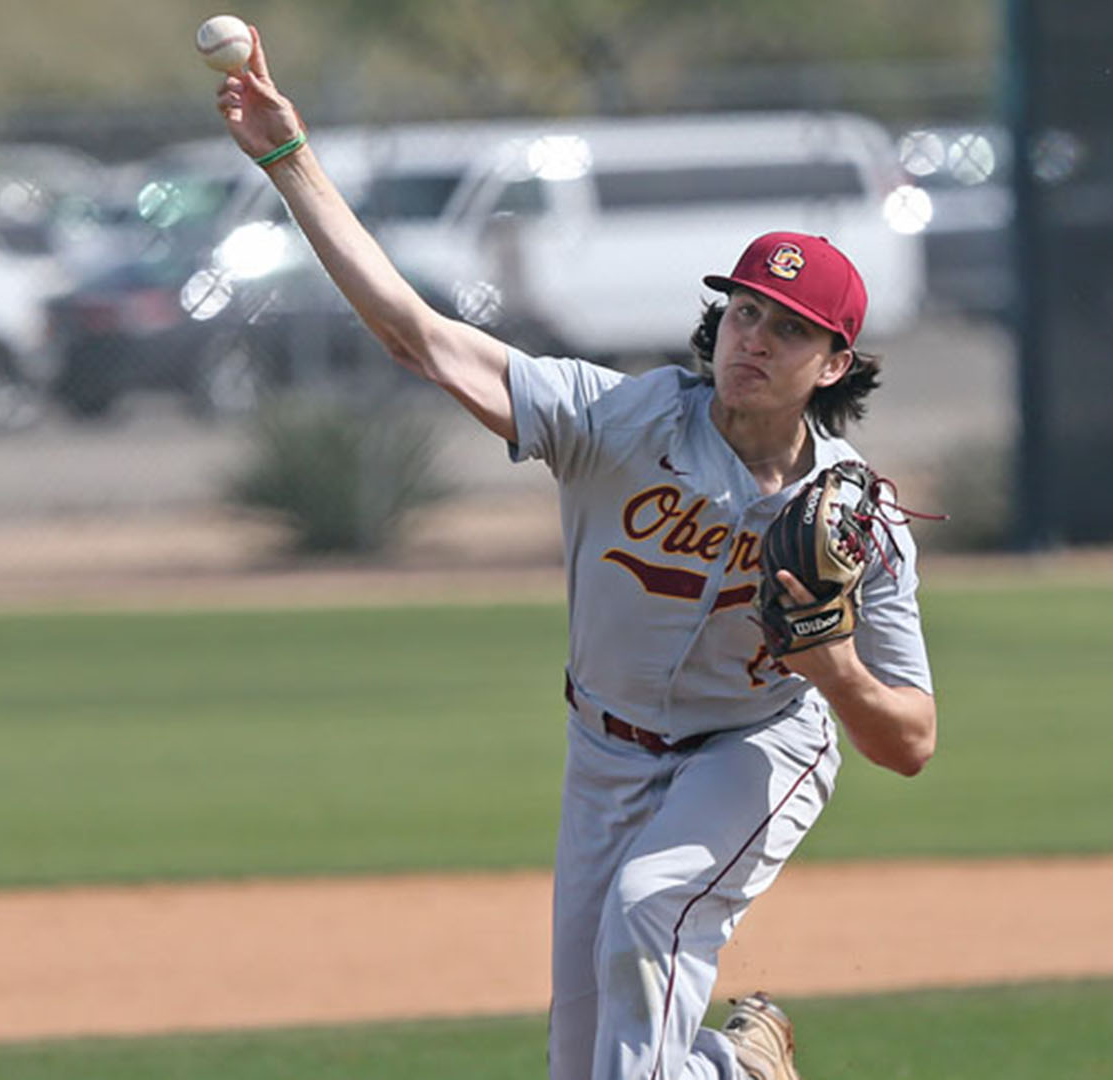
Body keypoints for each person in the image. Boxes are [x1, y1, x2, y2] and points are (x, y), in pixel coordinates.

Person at [218, 27, 936, 1080]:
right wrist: (291, 161)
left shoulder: (854, 519)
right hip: (602, 750)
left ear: (836, 364)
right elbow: (418, 336)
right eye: (743, 311)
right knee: (581, 1064)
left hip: (753, 750)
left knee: (650, 913)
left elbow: (910, 740)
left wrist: (835, 671)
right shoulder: (619, 420)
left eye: (786, 328)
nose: (753, 337)